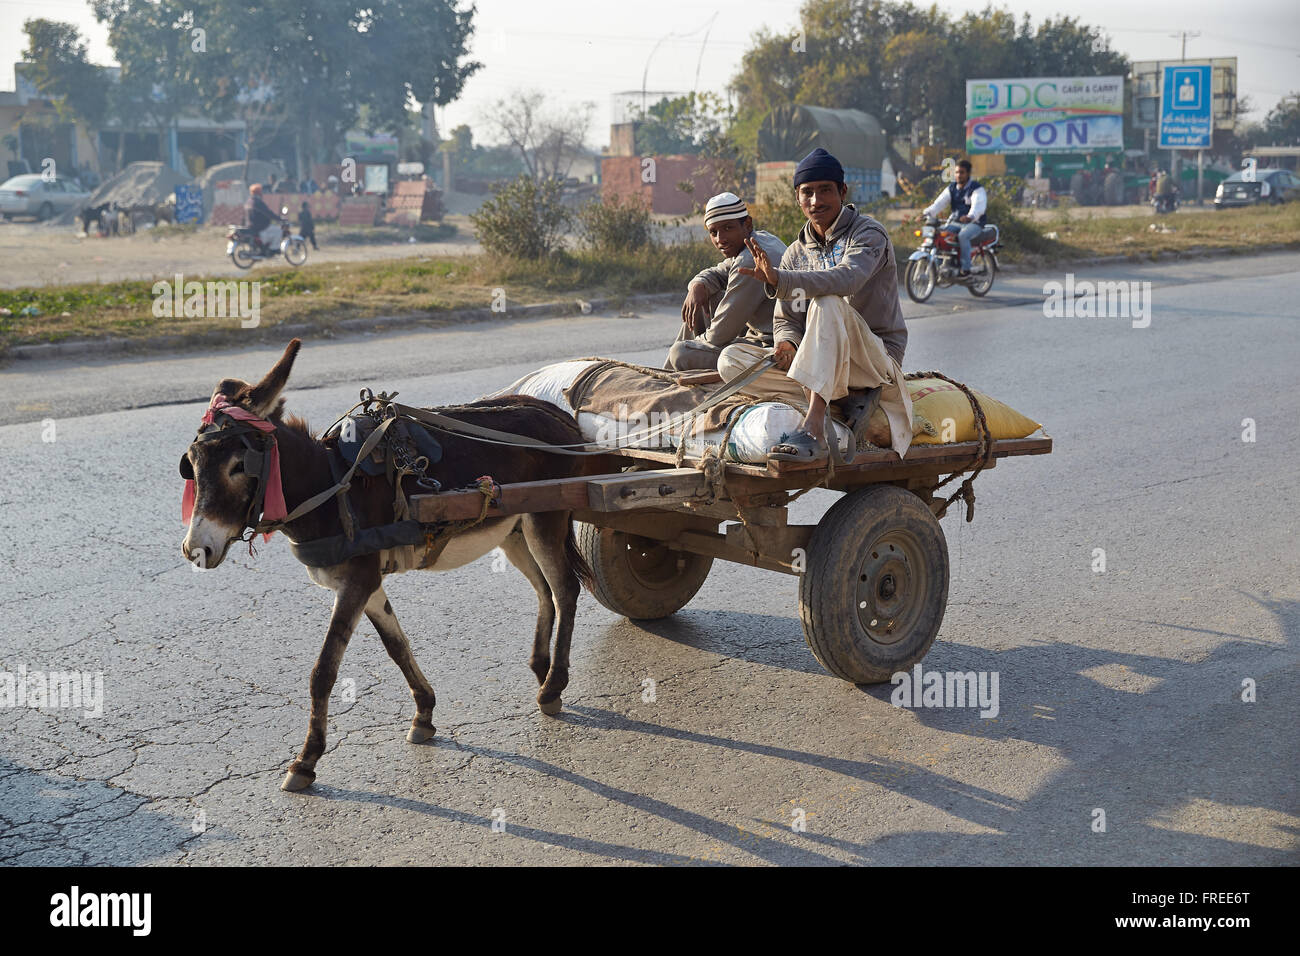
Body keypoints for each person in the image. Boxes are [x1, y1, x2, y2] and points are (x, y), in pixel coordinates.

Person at [717, 147, 914, 462]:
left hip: (873, 358)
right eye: (807, 192)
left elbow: (847, 279)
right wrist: (786, 342)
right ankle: (841, 398)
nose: (816, 201)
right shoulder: (796, 252)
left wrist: (780, 280)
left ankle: (814, 425)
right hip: (826, 361)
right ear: (797, 198)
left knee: (826, 303)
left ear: (842, 191)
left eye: (825, 190)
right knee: (730, 360)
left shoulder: (868, 234)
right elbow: (787, 320)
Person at [665, 192, 787, 372]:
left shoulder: (750, 258)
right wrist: (697, 285)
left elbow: (720, 335)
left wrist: (694, 345)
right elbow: (717, 273)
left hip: (771, 349)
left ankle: (666, 377)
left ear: (747, 224)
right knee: (703, 297)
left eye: (728, 228)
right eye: (714, 232)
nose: (720, 239)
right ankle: (668, 374)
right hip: (758, 336)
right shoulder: (759, 239)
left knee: (680, 353)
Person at [921, 158, 986, 277]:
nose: (958, 175)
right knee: (940, 235)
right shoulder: (951, 188)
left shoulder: (976, 189)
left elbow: (978, 206)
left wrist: (970, 216)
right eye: (956, 172)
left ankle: (965, 269)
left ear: (968, 174)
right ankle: (942, 264)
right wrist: (926, 213)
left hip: (975, 223)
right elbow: (939, 204)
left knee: (963, 236)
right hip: (956, 223)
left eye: (962, 172)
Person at [243, 183, 281, 253]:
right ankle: (273, 249)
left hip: (251, 225)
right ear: (259, 193)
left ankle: (265, 247)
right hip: (261, 226)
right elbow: (268, 213)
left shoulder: (248, 201)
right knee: (278, 230)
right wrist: (279, 219)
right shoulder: (257, 202)